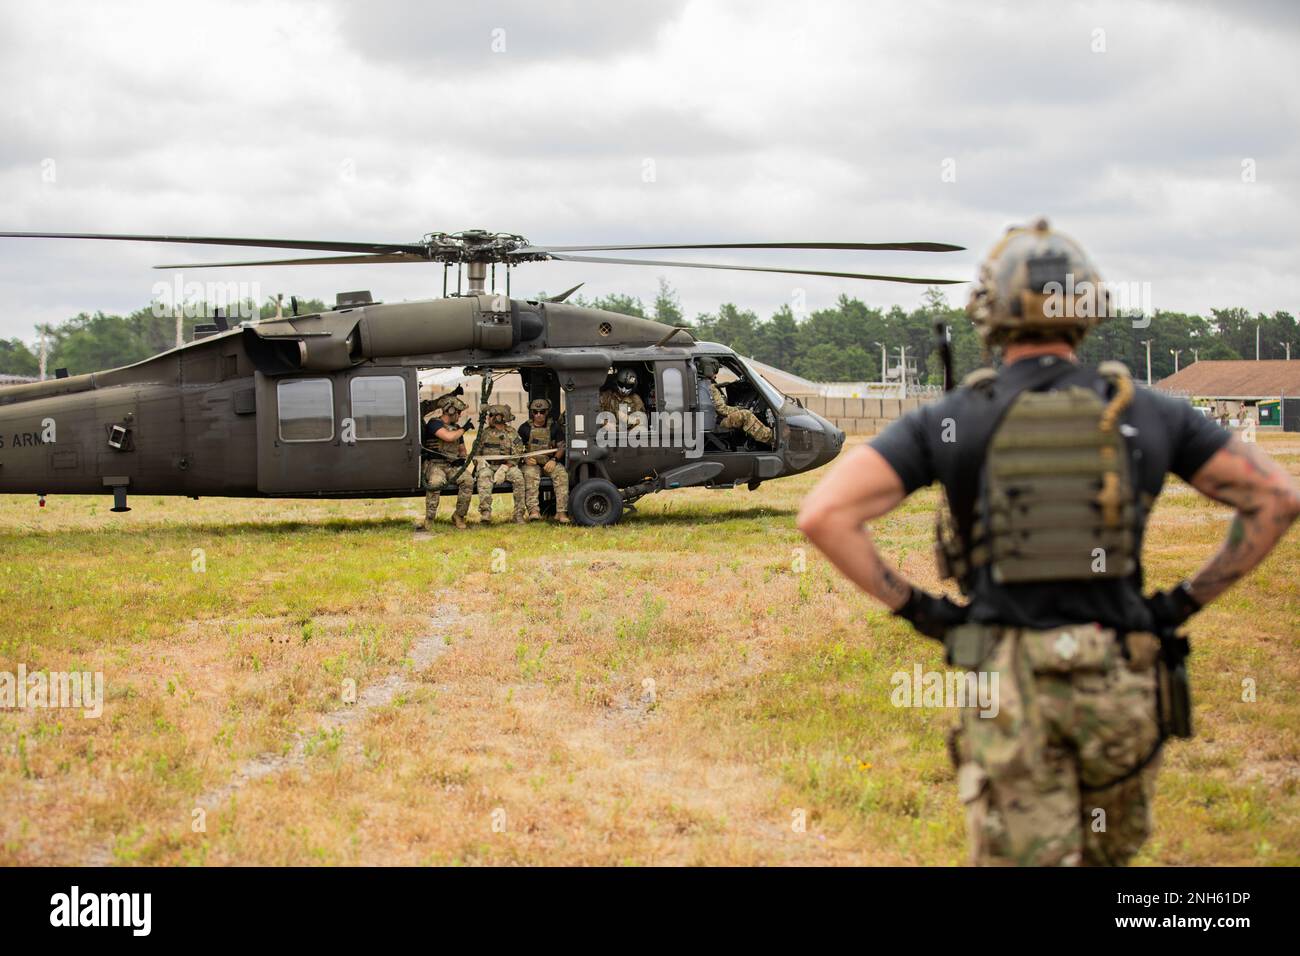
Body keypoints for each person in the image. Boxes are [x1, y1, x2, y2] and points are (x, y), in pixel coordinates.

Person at [798, 218, 1300, 866]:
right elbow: (1275, 499)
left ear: (991, 313)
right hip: (1118, 679)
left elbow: (824, 515)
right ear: (1085, 310)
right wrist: (1175, 607)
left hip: (1009, 683)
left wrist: (929, 616)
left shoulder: (953, 419)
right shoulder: (1147, 410)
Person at [419, 396, 474, 530]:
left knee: (468, 480)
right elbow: (448, 437)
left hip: (451, 466)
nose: (460, 415)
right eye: (459, 412)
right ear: (450, 410)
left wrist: (461, 457)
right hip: (434, 464)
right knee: (436, 482)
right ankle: (430, 518)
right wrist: (464, 429)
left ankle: (459, 516)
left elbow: (462, 450)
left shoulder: (456, 428)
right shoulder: (434, 423)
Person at [696, 356, 772, 445]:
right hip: (717, 422)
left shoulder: (701, 383)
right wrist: (739, 408)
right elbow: (722, 410)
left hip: (708, 419)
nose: (715, 375)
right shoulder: (709, 387)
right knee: (746, 415)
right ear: (709, 370)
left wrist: (718, 386)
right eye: (715, 371)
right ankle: (770, 438)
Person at [519, 397, 570, 523]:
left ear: (547, 412)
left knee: (561, 474)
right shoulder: (524, 428)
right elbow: (516, 449)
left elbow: (561, 446)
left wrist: (554, 459)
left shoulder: (554, 427)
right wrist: (525, 458)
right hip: (532, 464)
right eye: (535, 412)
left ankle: (561, 512)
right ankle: (534, 511)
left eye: (542, 412)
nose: (538, 415)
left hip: (549, 462)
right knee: (530, 476)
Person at [476, 404, 527, 524]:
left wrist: (505, 468)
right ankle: (485, 513)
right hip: (488, 466)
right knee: (483, 477)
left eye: (491, 416)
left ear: (499, 417)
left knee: (518, 477)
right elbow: (476, 452)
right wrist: (479, 462)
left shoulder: (511, 433)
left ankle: (518, 514)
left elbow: (517, 454)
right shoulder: (484, 433)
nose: (489, 418)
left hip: (507, 466)